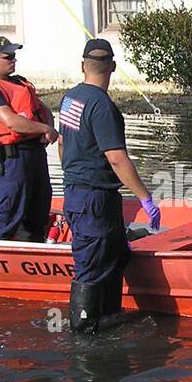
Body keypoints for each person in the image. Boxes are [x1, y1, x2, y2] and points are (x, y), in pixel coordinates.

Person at [57, 38, 160, 334]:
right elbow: (116, 158)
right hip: (95, 200)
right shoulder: (102, 107)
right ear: (112, 67)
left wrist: (72, 175)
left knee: (114, 257)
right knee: (91, 267)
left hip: (80, 195)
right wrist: (145, 198)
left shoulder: (70, 98)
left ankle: (109, 319)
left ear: (82, 66)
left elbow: (63, 144)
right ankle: (84, 334)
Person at [0, 35, 59, 241]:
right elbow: (11, 122)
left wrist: (47, 129)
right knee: (9, 213)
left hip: (35, 155)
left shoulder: (20, 84)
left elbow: (43, 110)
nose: (14, 60)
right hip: (13, 161)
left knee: (38, 213)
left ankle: (32, 256)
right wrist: (44, 128)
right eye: (8, 57)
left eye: (14, 56)